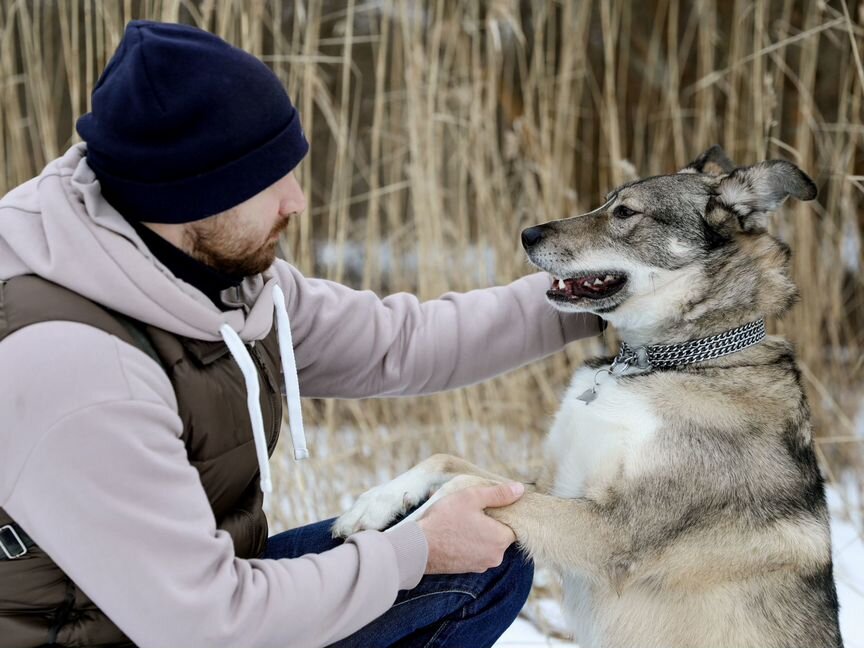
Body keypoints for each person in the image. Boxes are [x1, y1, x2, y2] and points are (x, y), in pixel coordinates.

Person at [0, 20, 601, 648]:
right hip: (163, 631)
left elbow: (401, 343)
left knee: (486, 560)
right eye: (267, 182)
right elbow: (204, 627)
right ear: (191, 196)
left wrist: (593, 292)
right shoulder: (72, 366)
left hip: (190, 609)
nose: (296, 200)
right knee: (446, 553)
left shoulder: (211, 278)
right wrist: (413, 550)